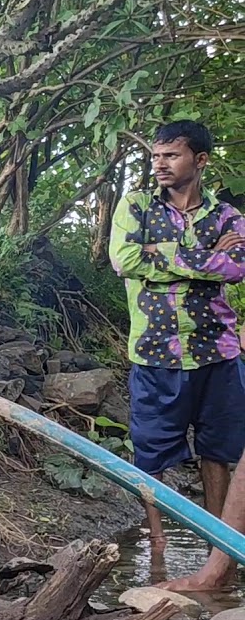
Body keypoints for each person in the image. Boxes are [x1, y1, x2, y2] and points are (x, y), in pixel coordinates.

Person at [107, 120, 245, 557]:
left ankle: (218, 550)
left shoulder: (228, 216)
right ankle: (158, 548)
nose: (160, 163)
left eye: (171, 155)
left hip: (217, 352)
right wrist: (208, 257)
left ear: (199, 160)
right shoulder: (136, 205)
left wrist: (158, 253)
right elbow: (123, 259)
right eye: (156, 156)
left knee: (218, 452)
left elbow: (237, 267)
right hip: (154, 353)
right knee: (149, 456)